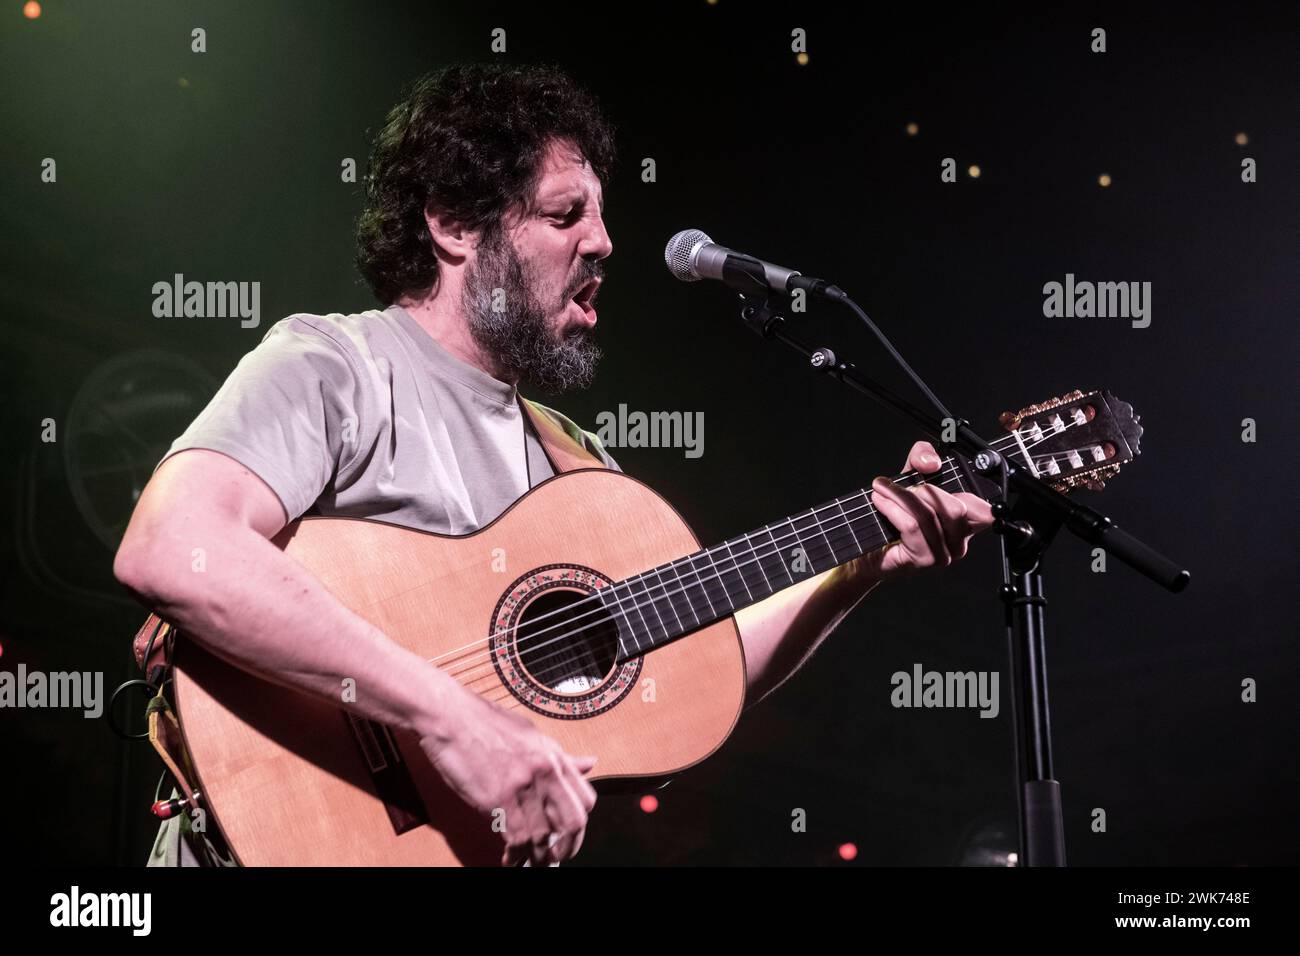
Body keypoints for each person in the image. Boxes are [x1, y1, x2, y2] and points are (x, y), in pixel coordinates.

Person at [114, 62, 993, 868]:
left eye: (600, 215)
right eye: (565, 215)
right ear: (454, 224)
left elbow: (698, 676)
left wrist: (860, 562)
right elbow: (171, 548)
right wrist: (450, 719)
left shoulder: (578, 467)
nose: (604, 243)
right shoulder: (335, 365)